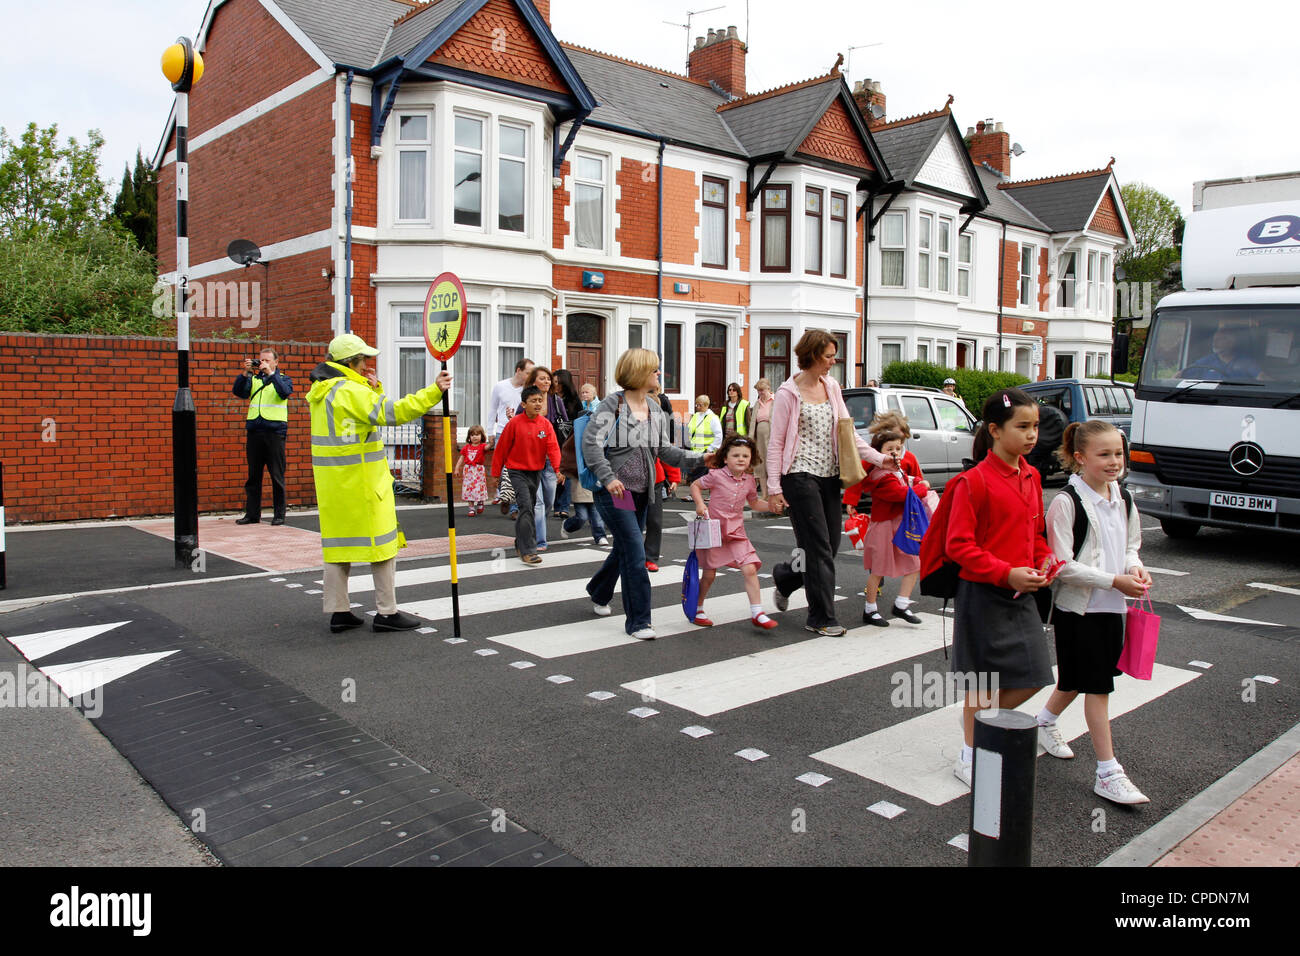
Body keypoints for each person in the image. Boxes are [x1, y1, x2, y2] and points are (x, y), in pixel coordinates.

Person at [1039, 421, 1153, 805]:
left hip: (1112, 608)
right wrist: (1114, 581)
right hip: (1079, 610)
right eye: (1104, 454)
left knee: (1075, 678)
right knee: (1098, 686)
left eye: (1118, 453)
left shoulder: (1123, 497)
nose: (1114, 462)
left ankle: (1043, 723)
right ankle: (1108, 772)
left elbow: (1131, 545)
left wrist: (1134, 568)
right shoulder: (1066, 502)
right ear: (1079, 457)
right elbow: (1061, 566)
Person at [306, 333, 451, 633]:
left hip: (334, 486)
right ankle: (387, 612)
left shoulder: (321, 392)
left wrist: (372, 387)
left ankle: (339, 611)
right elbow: (391, 413)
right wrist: (434, 391)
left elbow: (357, 421)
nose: (365, 367)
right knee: (383, 547)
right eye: (362, 362)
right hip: (363, 483)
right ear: (350, 363)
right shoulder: (350, 390)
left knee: (337, 548)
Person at [945, 388, 1053, 787]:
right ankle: (970, 754)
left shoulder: (1032, 475)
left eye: (1035, 427)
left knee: (1034, 675)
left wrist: (1044, 559)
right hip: (982, 593)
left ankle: (980, 724)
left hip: (1022, 592)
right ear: (994, 430)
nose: (1031, 435)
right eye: (1022, 426)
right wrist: (1006, 573)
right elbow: (958, 545)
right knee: (982, 683)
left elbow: (1035, 532)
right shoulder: (973, 482)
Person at [767, 330, 883, 637]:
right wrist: (774, 488)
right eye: (829, 356)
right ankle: (820, 616)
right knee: (818, 548)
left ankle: (787, 577)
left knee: (828, 545)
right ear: (813, 356)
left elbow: (848, 434)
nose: (833, 361)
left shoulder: (831, 387)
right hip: (799, 476)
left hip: (830, 475)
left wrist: (881, 459)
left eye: (834, 356)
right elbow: (776, 443)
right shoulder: (787, 393)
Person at [583, 349, 705, 640]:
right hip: (615, 492)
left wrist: (701, 459)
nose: (658, 375)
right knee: (636, 554)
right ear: (638, 373)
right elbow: (591, 445)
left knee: (626, 547)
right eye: (654, 370)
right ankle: (639, 622)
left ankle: (598, 591)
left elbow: (666, 452)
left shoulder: (655, 408)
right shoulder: (612, 405)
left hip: (641, 492)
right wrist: (609, 478)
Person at [689, 434, 777, 630]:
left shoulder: (749, 481)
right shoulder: (716, 475)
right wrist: (700, 504)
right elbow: (695, 485)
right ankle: (698, 607)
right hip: (714, 532)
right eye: (736, 455)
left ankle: (757, 612)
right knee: (709, 574)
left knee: (750, 568)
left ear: (751, 459)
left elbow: (754, 503)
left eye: (745, 456)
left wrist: (771, 506)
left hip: (736, 533)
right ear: (725, 458)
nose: (740, 459)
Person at [848, 427, 931, 627]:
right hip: (883, 525)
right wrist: (922, 487)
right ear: (878, 452)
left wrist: (918, 481)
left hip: (900, 523)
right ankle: (870, 609)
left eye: (898, 448)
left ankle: (901, 604)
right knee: (879, 568)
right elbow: (900, 494)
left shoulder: (901, 466)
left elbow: (912, 477)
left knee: (914, 563)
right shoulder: (881, 475)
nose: (895, 452)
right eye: (890, 449)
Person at [492, 385, 564, 565]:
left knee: (531, 508)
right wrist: (495, 474)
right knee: (525, 507)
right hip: (516, 471)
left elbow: (553, 448)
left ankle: (520, 542)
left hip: (536, 471)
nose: (538, 404)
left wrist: (557, 469)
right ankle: (529, 550)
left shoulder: (545, 424)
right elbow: (501, 449)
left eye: (540, 400)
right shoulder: (514, 423)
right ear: (524, 404)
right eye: (533, 401)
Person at [233, 347, 293, 525]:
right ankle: (252, 514)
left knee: (277, 475)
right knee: (253, 476)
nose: (263, 363)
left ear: (276, 362)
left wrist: (271, 374)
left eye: (267, 360)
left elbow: (284, 392)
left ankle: (279, 514)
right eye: (261, 360)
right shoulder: (254, 379)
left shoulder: (283, 379)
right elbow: (239, 392)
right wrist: (246, 373)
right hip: (255, 432)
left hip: (275, 433)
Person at [514, 366, 568, 551]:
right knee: (537, 503)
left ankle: (532, 528)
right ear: (533, 382)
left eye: (549, 379)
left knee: (549, 500)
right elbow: (516, 427)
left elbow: (565, 429)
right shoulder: (525, 402)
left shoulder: (557, 401)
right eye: (543, 378)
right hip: (531, 461)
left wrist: (562, 462)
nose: (547, 382)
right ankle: (539, 540)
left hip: (552, 459)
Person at [489, 357, 534, 516]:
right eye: (528, 372)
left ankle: (515, 507)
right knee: (503, 470)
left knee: (517, 470)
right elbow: (492, 410)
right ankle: (505, 496)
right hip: (503, 431)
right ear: (518, 370)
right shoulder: (500, 386)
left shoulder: (528, 390)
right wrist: (490, 432)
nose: (530, 376)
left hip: (521, 434)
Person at [641, 383, 678, 572]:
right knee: (630, 524)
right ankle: (631, 554)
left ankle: (651, 557)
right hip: (627, 484)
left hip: (655, 481)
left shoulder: (658, 427)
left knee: (654, 521)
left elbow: (667, 453)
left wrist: (674, 478)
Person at [552, 369, 583, 520]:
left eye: (558, 382)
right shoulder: (550, 398)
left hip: (569, 440)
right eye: (554, 382)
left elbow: (580, 419)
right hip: (554, 439)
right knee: (555, 472)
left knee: (567, 472)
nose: (555, 384)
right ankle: (556, 505)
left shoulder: (574, 400)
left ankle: (564, 507)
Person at [1179, 325, 1263, 380]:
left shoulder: (1246, 362)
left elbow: (1262, 378)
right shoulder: (1206, 361)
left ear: (1232, 342)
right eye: (1214, 340)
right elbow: (1181, 375)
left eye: (1219, 340)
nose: (1214, 343)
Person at [683, 394, 723, 495]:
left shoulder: (713, 418)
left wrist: (711, 448)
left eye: (699, 405)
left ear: (706, 405)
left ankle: (709, 494)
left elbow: (719, 435)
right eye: (696, 405)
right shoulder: (696, 416)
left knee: (705, 474)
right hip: (695, 450)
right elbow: (690, 430)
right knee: (697, 474)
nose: (697, 407)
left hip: (707, 450)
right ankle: (694, 494)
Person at [454, 424, 489, 516]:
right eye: (472, 435)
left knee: (479, 487)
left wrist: (492, 442)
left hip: (478, 471)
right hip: (468, 471)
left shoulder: (482, 446)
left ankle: (480, 502)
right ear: (469, 437)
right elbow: (461, 458)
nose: (475, 437)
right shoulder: (466, 447)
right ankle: (471, 508)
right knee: (469, 489)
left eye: (477, 435)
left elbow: (487, 447)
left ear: (481, 436)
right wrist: (457, 468)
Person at [751, 379, 775, 497]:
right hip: (759, 438)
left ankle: (773, 494)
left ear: (769, 389)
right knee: (761, 466)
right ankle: (765, 495)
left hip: (772, 437)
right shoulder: (757, 403)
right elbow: (752, 423)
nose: (760, 393)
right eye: (758, 391)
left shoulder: (775, 401)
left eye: (762, 390)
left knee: (772, 464)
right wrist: (751, 440)